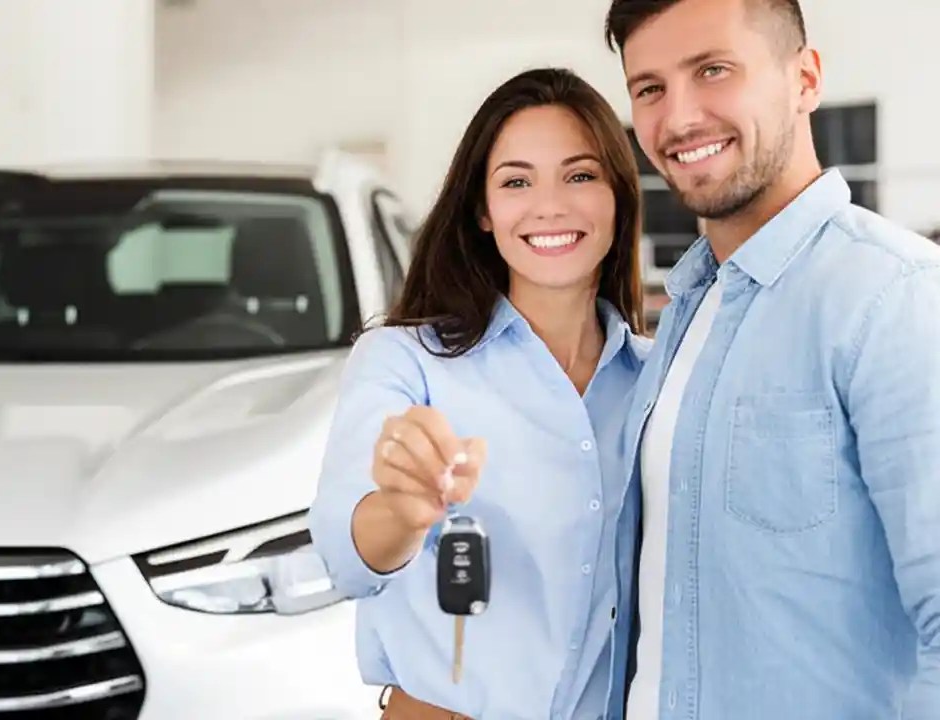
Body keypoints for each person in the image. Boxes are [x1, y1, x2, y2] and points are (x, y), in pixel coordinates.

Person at [603, 0, 940, 717]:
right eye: (650, 88)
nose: (680, 117)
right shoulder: (688, 311)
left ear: (805, 79)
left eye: (713, 70)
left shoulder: (894, 297)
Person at [308, 67, 651, 719]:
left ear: (618, 197)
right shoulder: (405, 361)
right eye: (517, 181)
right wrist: (404, 510)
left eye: (579, 176)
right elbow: (346, 555)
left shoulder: (659, 381)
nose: (548, 206)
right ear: (483, 213)